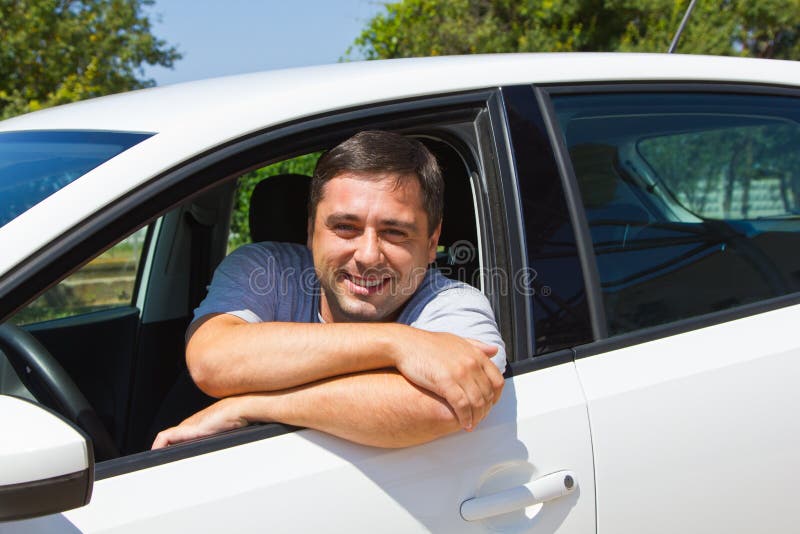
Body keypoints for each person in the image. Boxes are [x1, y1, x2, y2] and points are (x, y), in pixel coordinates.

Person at [152, 130, 506, 449]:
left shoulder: (456, 304)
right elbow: (211, 360)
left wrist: (250, 405)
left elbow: (443, 407)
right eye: (345, 227)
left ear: (432, 243)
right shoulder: (266, 269)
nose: (368, 255)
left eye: (395, 232)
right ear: (310, 231)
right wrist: (397, 344)